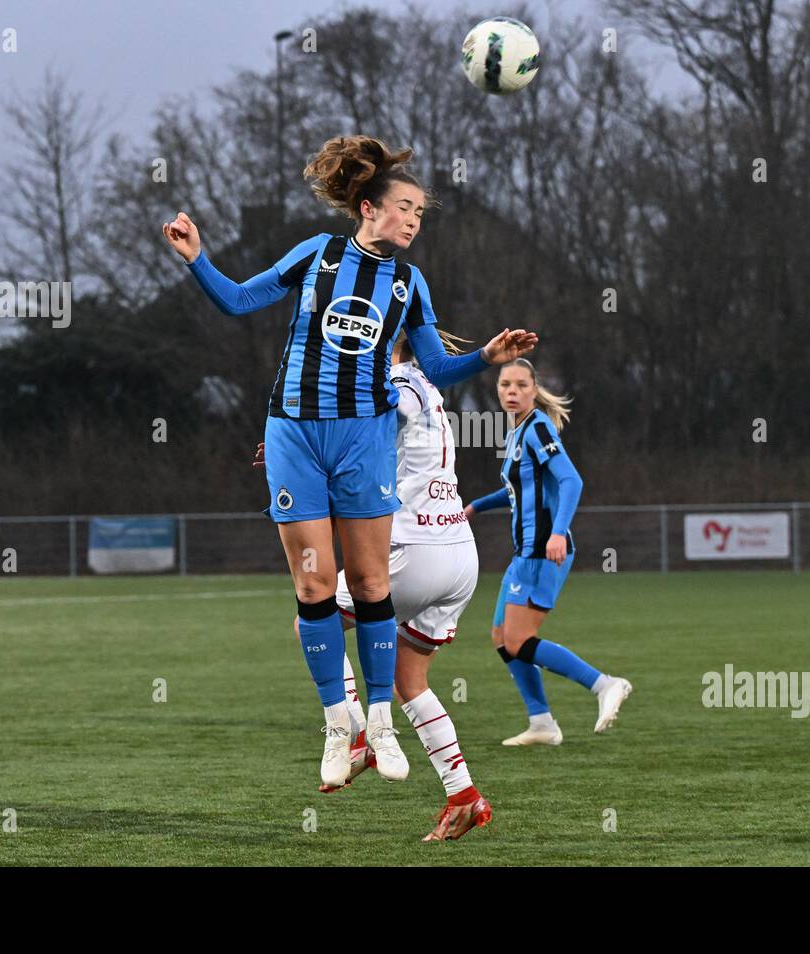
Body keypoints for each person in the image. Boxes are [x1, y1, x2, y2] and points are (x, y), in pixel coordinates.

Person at [163, 135, 536, 788]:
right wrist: (197, 259)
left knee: (369, 588)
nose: (414, 219)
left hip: (363, 441)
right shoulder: (319, 254)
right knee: (312, 587)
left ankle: (382, 726)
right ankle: (341, 726)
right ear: (368, 208)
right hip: (294, 435)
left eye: (421, 212)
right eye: (405, 207)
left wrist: (488, 357)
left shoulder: (409, 284)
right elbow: (240, 300)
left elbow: (439, 367)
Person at [261, 331, 491, 841]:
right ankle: (463, 795)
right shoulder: (424, 380)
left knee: (312, 623)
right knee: (411, 681)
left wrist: (301, 446)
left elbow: (371, 426)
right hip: (458, 553)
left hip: (413, 550)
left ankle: (359, 734)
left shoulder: (387, 382)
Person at [464, 358, 631, 744]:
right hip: (524, 552)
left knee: (519, 640)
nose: (511, 391)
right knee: (501, 636)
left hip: (543, 551)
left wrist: (557, 533)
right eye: (505, 384)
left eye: (521, 385)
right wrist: (474, 506)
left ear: (534, 390)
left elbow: (571, 480)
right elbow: (514, 490)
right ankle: (541, 723)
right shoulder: (516, 433)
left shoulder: (537, 427)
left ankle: (605, 684)